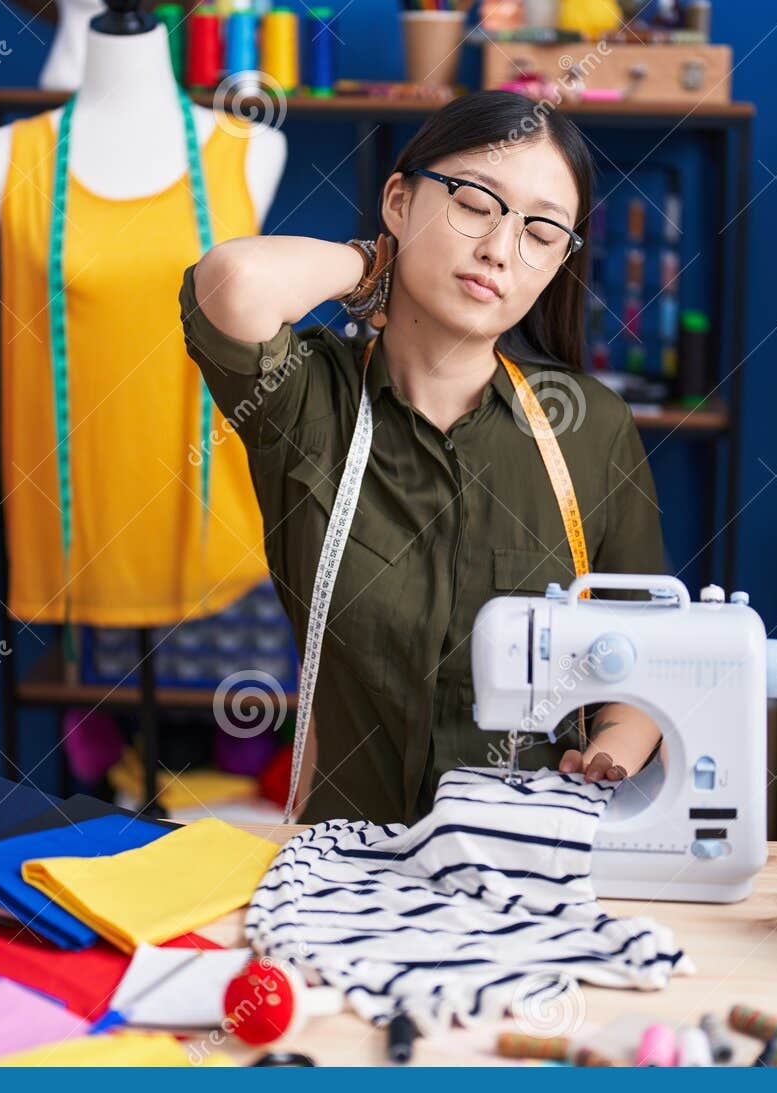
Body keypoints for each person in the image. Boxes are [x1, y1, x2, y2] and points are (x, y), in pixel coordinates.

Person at [181, 90, 667, 825]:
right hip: (344, 863)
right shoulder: (310, 401)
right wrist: (371, 263)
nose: (500, 249)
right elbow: (233, 283)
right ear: (400, 202)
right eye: (476, 202)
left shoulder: (589, 429)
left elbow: (646, 653)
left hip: (532, 854)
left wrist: (613, 755)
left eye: (542, 231)